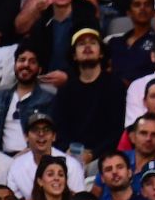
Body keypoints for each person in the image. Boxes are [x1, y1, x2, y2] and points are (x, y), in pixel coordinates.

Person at [53, 27, 125, 163]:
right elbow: (59, 129)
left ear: (101, 53)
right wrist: (67, 149)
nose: (87, 46)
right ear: (74, 55)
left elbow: (118, 130)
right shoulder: (65, 91)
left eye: (92, 42)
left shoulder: (115, 86)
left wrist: (93, 154)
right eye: (81, 44)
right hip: (71, 156)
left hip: (106, 157)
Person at [0, 47, 53, 155]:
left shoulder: (48, 99)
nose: (26, 65)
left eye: (32, 62)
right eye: (21, 60)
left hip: (34, 158)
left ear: (39, 69)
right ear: (15, 65)